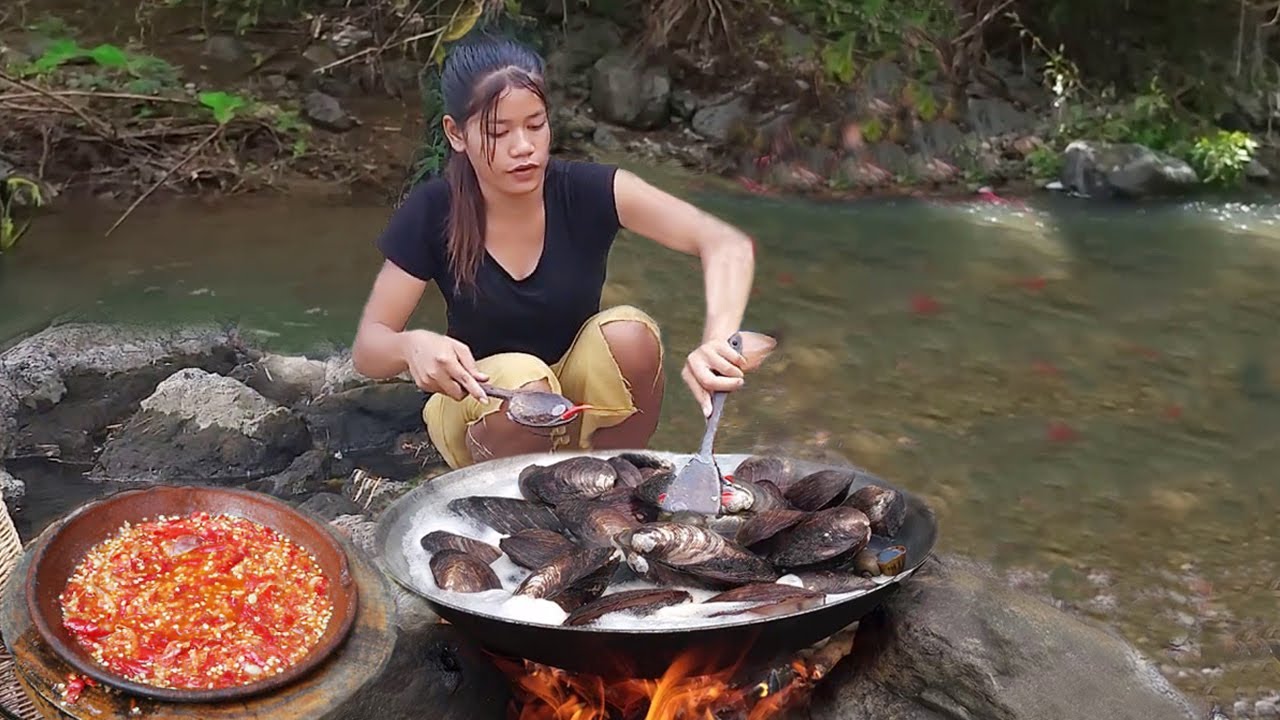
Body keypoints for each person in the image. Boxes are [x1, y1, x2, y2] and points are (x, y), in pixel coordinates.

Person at [351, 33, 757, 470]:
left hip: (575, 403)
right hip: (487, 406)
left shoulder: (589, 191)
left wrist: (718, 339)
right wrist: (412, 345)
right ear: (456, 134)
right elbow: (369, 348)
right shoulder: (434, 209)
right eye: (497, 131)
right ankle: (516, 497)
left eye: (535, 124)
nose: (522, 146)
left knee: (631, 335)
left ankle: (614, 482)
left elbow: (726, 244)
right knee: (526, 380)